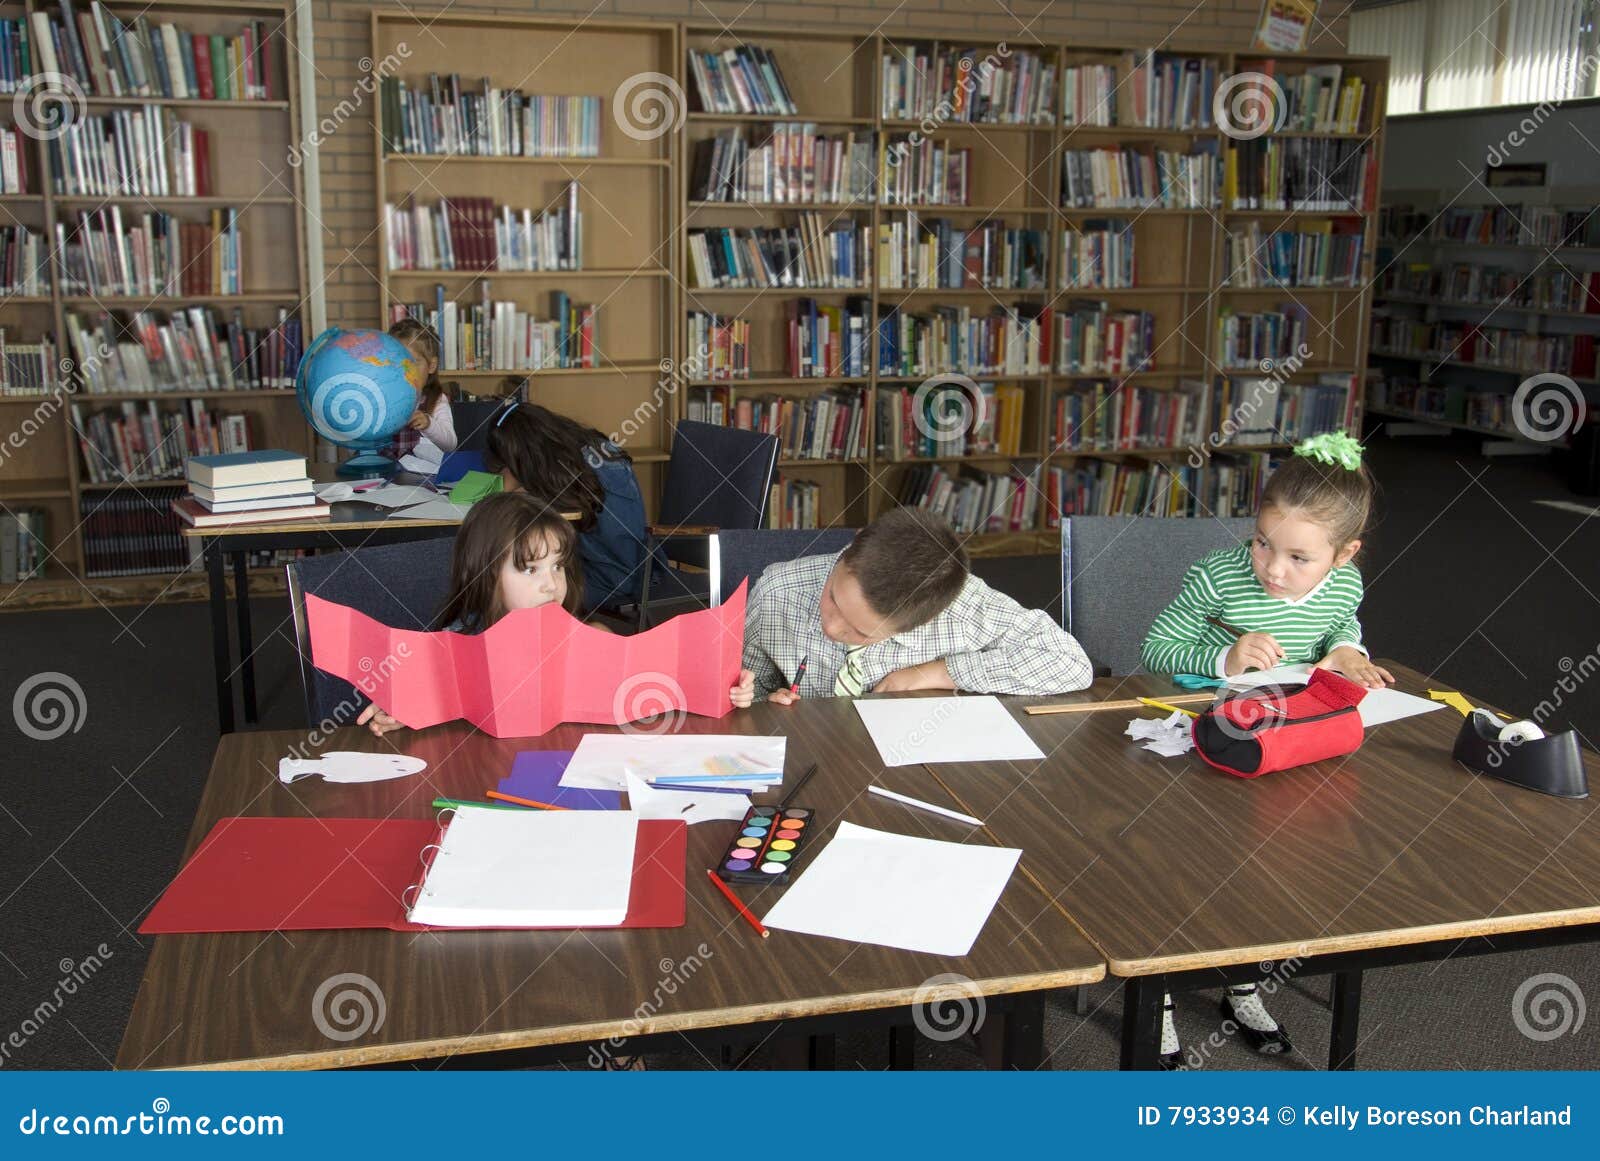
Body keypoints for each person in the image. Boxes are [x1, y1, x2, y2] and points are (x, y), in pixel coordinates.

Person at [1139, 430, 1386, 1068]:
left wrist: (1347, 650)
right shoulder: (1219, 578)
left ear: (1344, 554)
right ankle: (1159, 996)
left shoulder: (1344, 585)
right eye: (1262, 543)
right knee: (1186, 864)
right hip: (1207, 742)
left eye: (1299, 557)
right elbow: (1156, 651)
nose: (1273, 568)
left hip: (1289, 748)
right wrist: (1222, 655)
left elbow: (1341, 626)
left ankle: (1240, 981)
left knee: (1271, 864)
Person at [357, 493, 755, 737]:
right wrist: (402, 710)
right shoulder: (457, 645)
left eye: (559, 566)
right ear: (485, 573)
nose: (551, 585)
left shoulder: (588, 637)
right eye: (530, 569)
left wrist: (725, 685)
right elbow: (423, 695)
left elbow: (653, 688)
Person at [743, 507, 1093, 701]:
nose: (831, 627)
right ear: (852, 547)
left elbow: (1070, 663)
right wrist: (764, 703)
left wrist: (934, 673)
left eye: (861, 632)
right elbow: (745, 688)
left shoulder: (965, 608)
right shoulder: (778, 590)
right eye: (833, 597)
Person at [485, 401, 648, 612]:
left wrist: (515, 486)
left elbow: (620, 557)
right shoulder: (569, 458)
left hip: (613, 578)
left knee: (508, 589)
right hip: (590, 567)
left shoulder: (601, 469)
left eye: (508, 462)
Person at [384, 318, 457, 463]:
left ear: (431, 365)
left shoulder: (437, 399)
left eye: (413, 362)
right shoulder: (382, 397)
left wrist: (429, 424)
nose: (406, 370)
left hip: (422, 478)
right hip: (386, 476)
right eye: (396, 362)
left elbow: (450, 444)